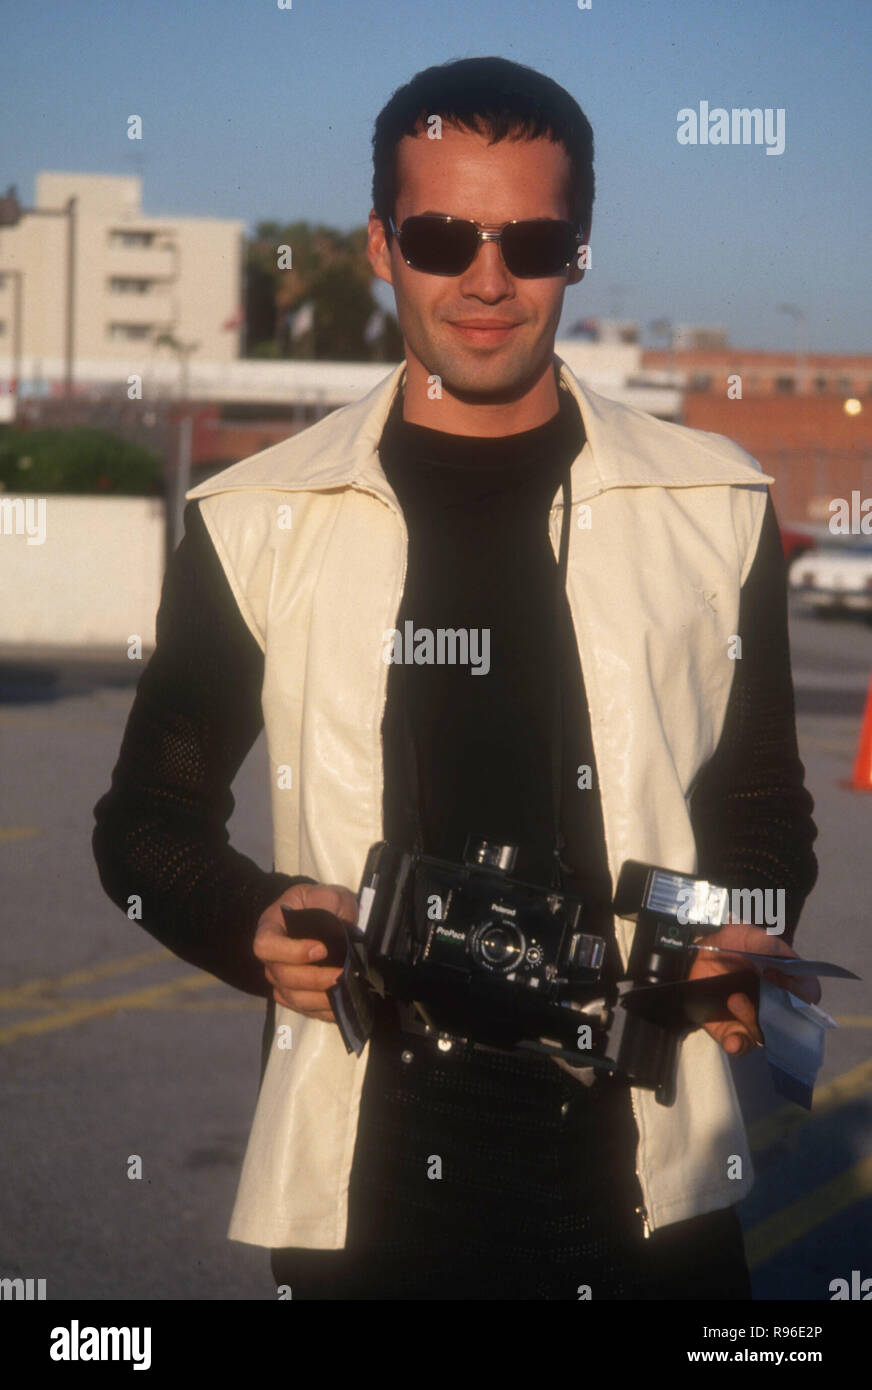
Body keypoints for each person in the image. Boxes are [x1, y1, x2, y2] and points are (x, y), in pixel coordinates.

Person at [92, 56, 819, 1301]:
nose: (485, 281)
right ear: (383, 245)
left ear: (576, 253)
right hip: (368, 1178)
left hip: (646, 1173)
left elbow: (758, 806)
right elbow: (144, 828)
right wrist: (245, 920)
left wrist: (732, 935)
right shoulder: (257, 516)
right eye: (441, 235)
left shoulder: (712, 504)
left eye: (529, 241)